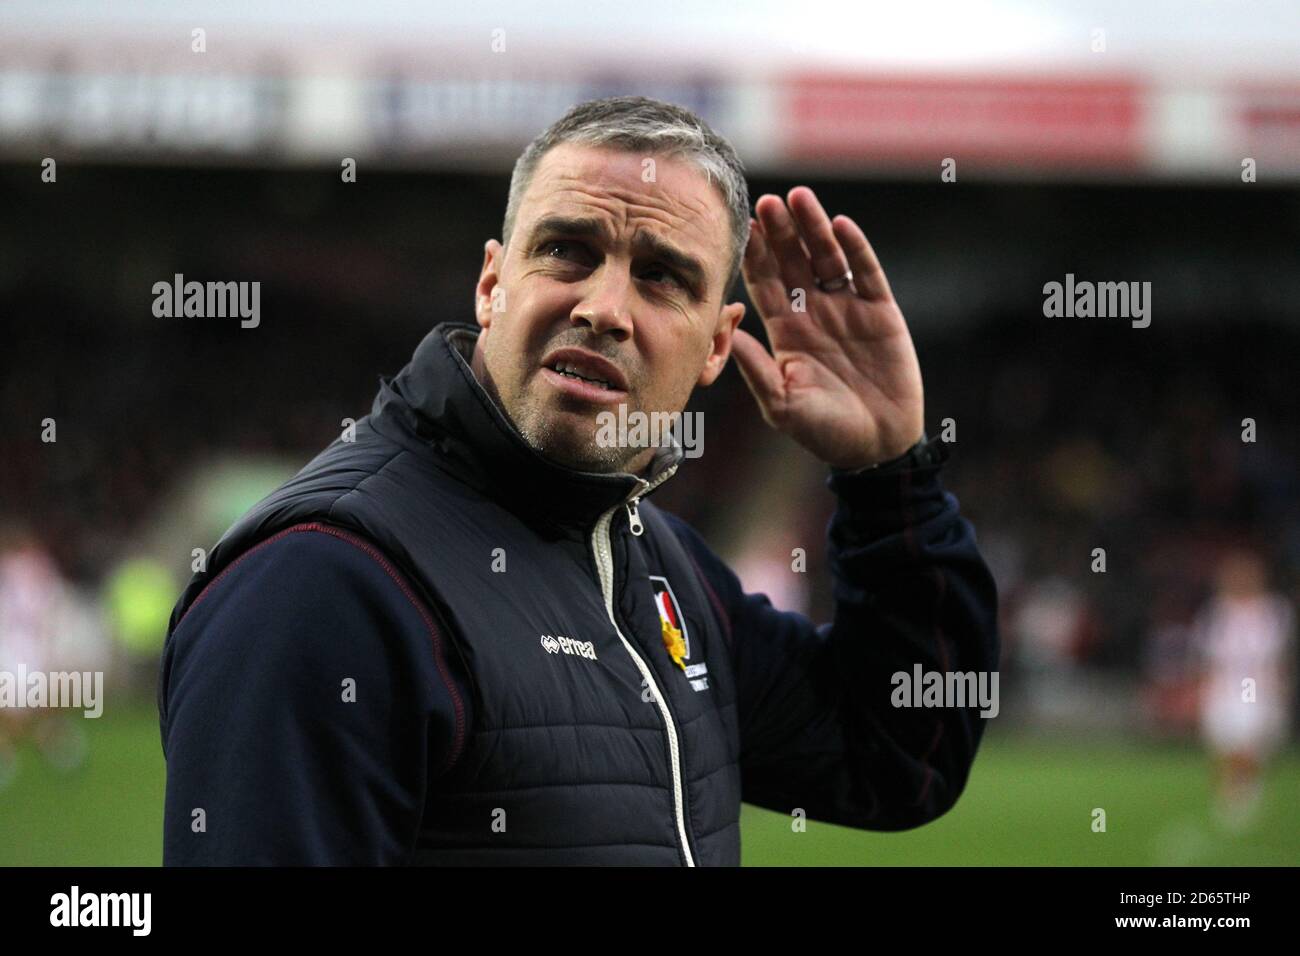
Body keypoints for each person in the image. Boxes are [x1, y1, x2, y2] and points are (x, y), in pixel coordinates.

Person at [157, 95, 999, 865]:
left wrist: (889, 472)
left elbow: (895, 757)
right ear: (493, 284)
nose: (603, 307)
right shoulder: (323, 584)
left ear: (717, 344)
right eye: (567, 250)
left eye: (662, 275)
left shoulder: (660, 566)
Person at [1193, 548, 1295, 830]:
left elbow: (1277, 655)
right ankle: (1234, 792)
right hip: (1225, 687)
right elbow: (1209, 656)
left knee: (1250, 744)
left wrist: (1279, 689)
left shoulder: (1274, 610)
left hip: (1258, 687)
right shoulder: (1216, 611)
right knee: (1226, 745)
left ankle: (1243, 794)